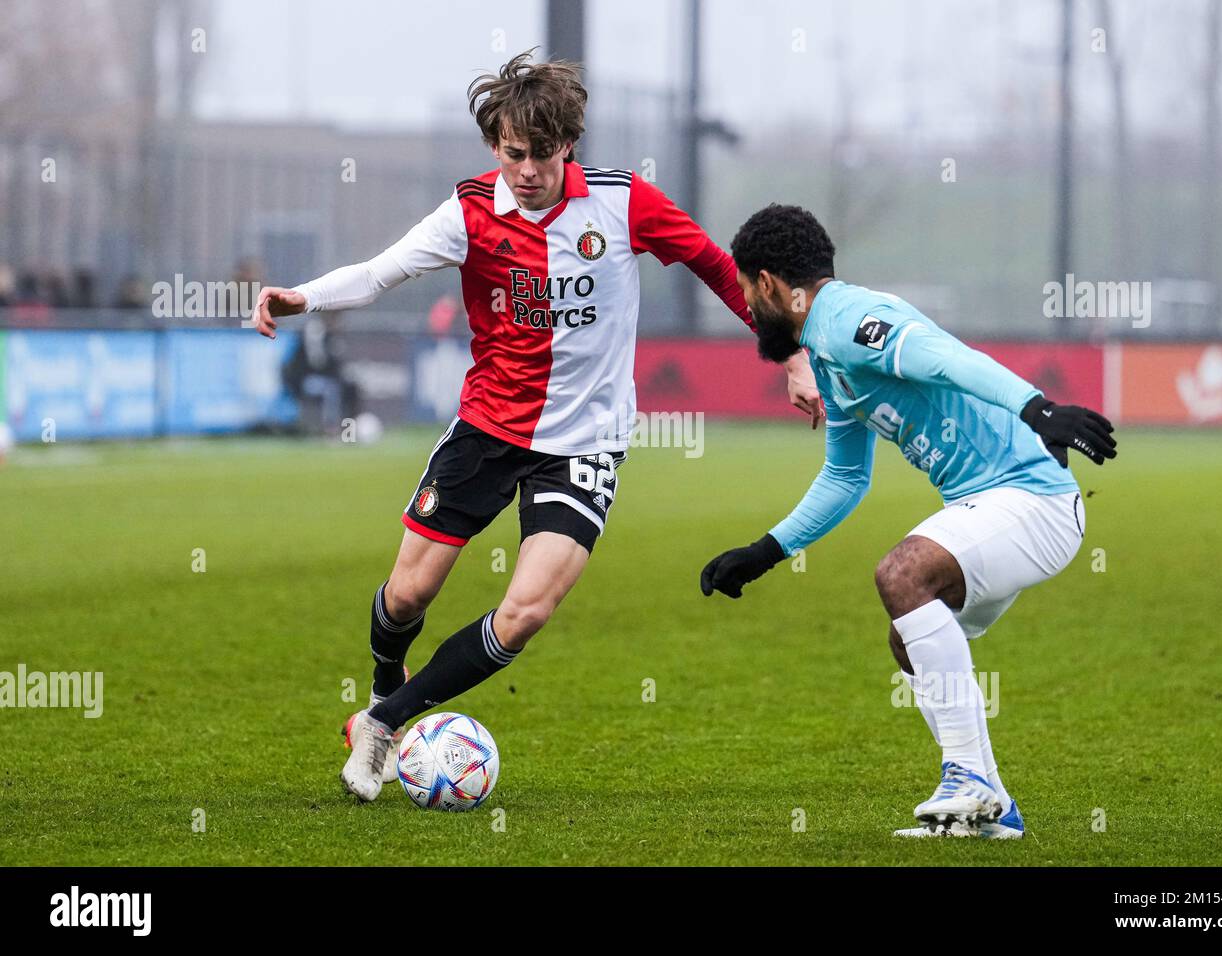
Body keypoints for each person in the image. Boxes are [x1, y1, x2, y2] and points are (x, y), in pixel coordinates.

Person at [248, 51, 823, 802]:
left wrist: (788, 354)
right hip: (488, 429)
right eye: (513, 153)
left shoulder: (624, 204)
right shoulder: (469, 212)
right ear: (495, 147)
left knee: (525, 613)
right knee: (405, 598)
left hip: (585, 444)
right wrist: (305, 298)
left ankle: (384, 722)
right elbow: (380, 271)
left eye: (542, 154)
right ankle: (388, 685)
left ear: (568, 145)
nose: (526, 170)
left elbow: (717, 266)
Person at [698, 204, 1117, 838]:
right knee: (910, 638)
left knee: (903, 575)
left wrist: (1037, 409)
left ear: (770, 284)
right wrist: (765, 551)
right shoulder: (826, 355)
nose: (751, 309)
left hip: (1034, 499)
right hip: (995, 505)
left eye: (749, 292)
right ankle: (992, 810)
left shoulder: (848, 322)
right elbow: (846, 477)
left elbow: (944, 356)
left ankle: (966, 778)